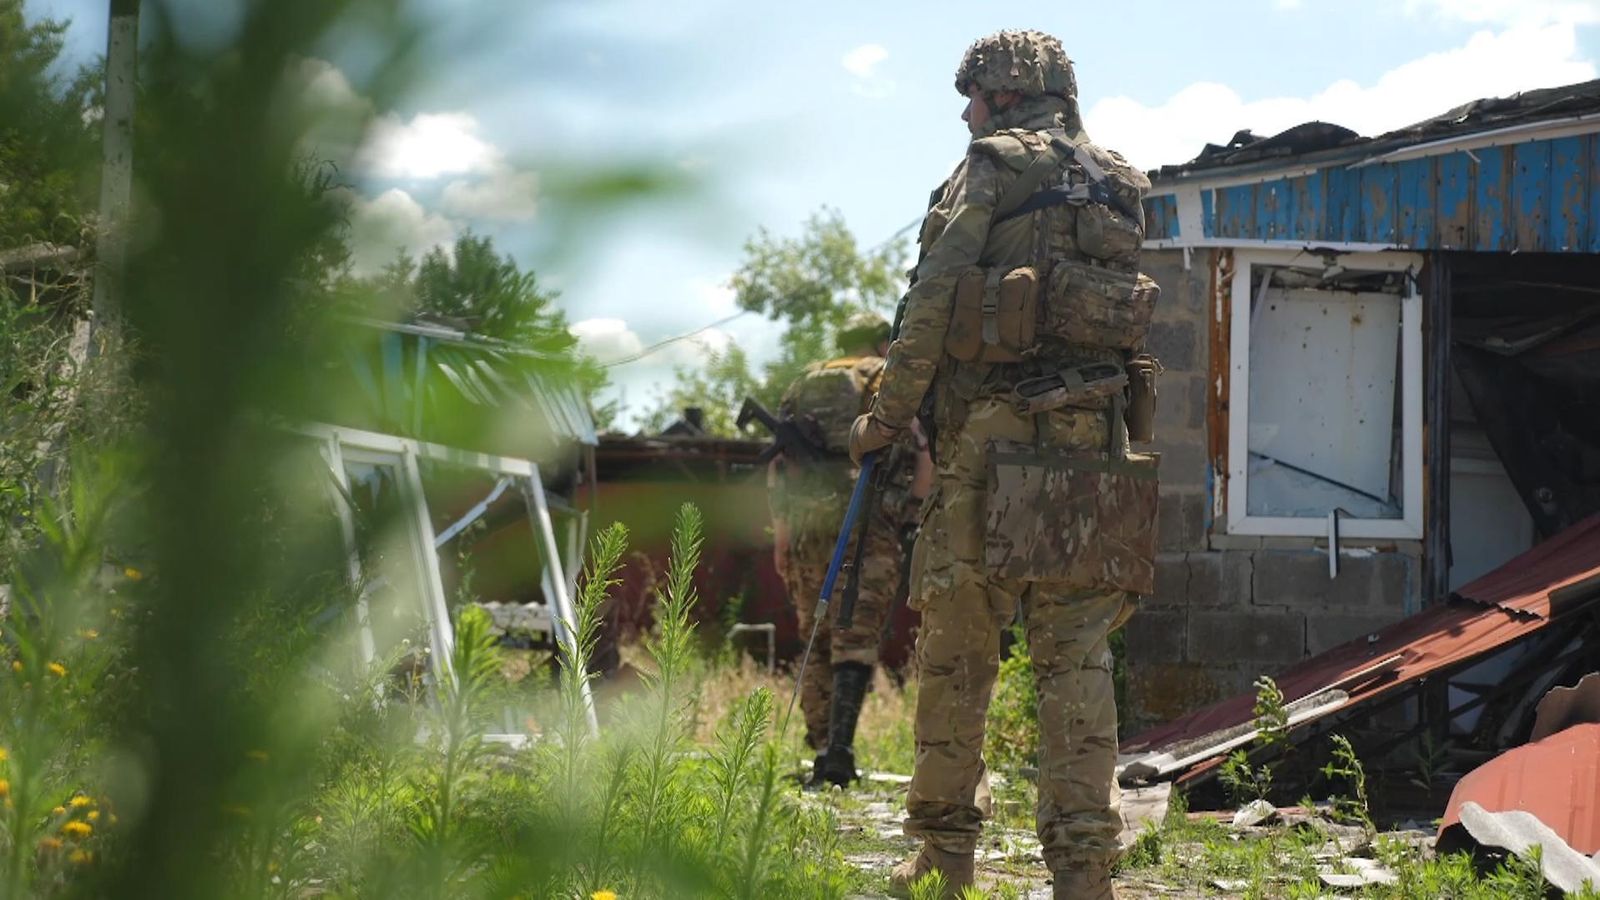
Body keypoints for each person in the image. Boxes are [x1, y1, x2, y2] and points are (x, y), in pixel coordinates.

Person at [848, 31, 1159, 900]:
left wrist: (886, 418)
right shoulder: (1122, 180)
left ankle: (944, 861)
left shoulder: (987, 167)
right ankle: (1084, 873)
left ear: (1008, 95)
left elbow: (932, 301)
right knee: (1078, 661)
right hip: (1093, 444)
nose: (965, 110)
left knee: (958, 653)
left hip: (990, 439)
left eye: (973, 93)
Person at [769, 311, 933, 789]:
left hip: (806, 529)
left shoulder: (802, 383)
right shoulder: (886, 378)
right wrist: (911, 514)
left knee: (816, 635)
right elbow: (924, 455)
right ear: (883, 343)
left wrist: (781, 535)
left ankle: (822, 747)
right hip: (868, 526)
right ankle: (840, 751)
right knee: (855, 635)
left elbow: (779, 466)